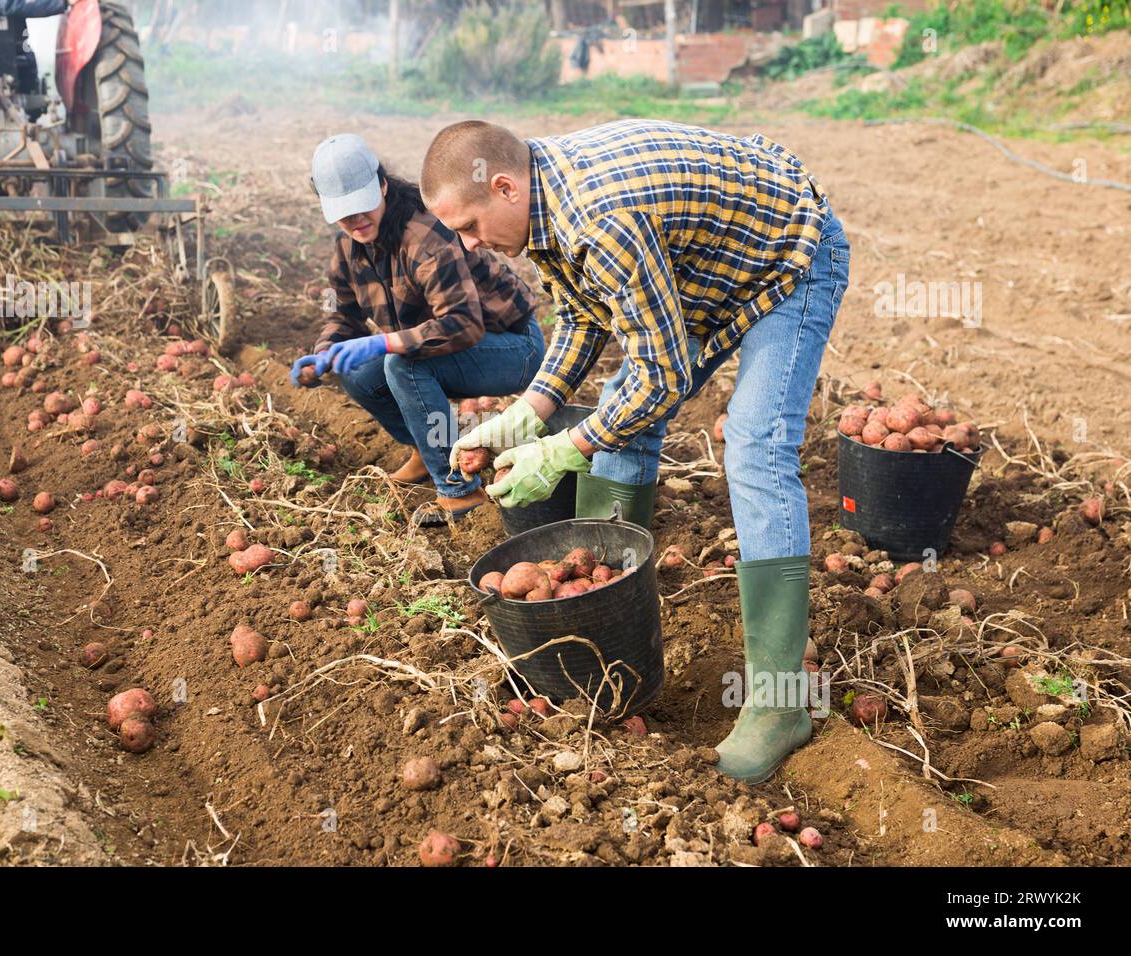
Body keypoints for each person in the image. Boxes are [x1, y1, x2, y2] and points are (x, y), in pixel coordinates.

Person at [420, 119, 851, 782]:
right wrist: (526, 414)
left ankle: (778, 705)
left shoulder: (602, 220)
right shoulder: (542, 207)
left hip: (787, 258)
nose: (472, 246)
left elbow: (662, 374)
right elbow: (584, 315)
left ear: (503, 187)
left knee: (755, 449)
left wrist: (566, 448)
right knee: (627, 419)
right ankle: (603, 620)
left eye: (471, 227)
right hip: (708, 272)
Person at [291, 133, 545, 525]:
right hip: (446, 350)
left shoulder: (425, 234)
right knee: (356, 371)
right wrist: (324, 354)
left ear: (382, 185)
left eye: (363, 206)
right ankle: (425, 451)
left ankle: (460, 489)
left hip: (513, 347)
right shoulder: (347, 250)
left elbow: (462, 325)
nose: (356, 220)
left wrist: (386, 342)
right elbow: (344, 317)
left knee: (402, 364)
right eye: (345, 213)